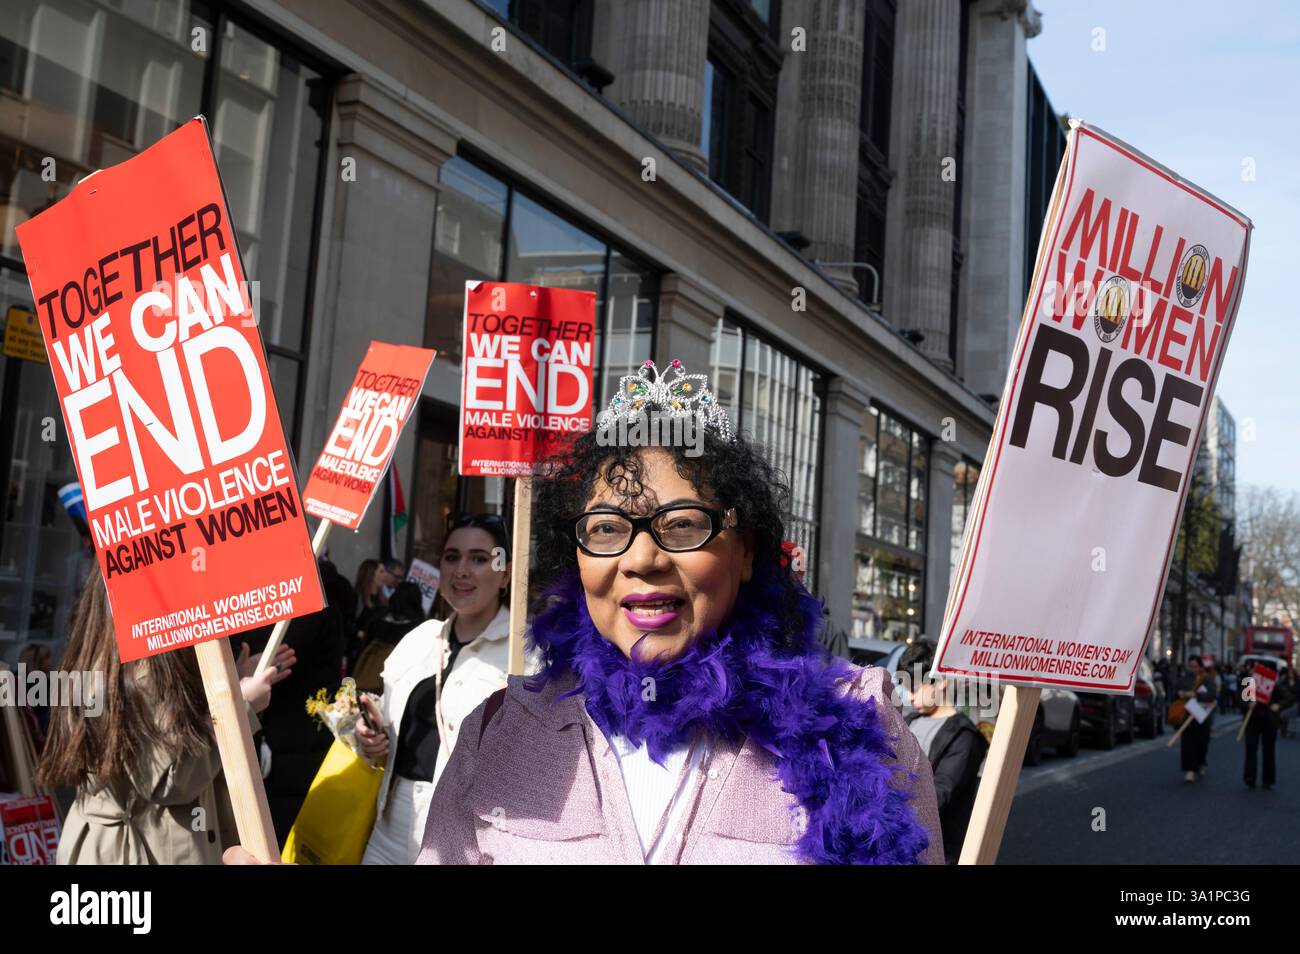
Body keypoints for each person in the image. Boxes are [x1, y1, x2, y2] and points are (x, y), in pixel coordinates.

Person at [416, 359, 943, 864]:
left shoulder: (857, 726)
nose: (642, 559)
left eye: (684, 525)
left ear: (748, 552)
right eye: (606, 528)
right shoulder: (497, 732)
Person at [35, 567, 294, 864]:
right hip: (138, 853)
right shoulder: (145, 668)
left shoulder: (106, 657)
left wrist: (230, 685)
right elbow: (168, 782)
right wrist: (241, 706)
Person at [354, 514, 520, 864]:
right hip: (390, 820)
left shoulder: (526, 655)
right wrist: (368, 734)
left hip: (468, 835)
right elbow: (386, 713)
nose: (461, 570)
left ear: (505, 573)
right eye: (451, 557)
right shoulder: (419, 638)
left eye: (479, 559)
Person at [897, 638, 987, 864]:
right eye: (907, 690)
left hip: (935, 853)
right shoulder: (908, 721)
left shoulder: (965, 737)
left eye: (915, 689)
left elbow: (939, 795)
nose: (910, 697)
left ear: (941, 682)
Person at [351, 581, 426, 694]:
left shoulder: (376, 620)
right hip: (395, 687)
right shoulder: (418, 629)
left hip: (365, 679)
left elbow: (362, 650)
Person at [1243, 665, 1294, 790]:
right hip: (1252, 720)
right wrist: (1248, 704)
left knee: (1268, 750)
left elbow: (1289, 698)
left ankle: (1268, 779)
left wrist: (1278, 705)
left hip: (1269, 720)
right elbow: (1241, 698)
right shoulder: (1250, 682)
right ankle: (1250, 777)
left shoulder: (1276, 684)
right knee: (1251, 748)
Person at [1176, 655, 1218, 783]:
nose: (1193, 669)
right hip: (1188, 713)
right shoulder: (1185, 679)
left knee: (1202, 742)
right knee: (1188, 742)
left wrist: (1197, 694)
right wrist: (1180, 693)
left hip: (1203, 714)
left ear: (1200, 666)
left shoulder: (1208, 679)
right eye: (1190, 666)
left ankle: (1201, 762)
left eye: (1195, 666)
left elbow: (1212, 694)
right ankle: (1190, 770)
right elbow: (1176, 690)